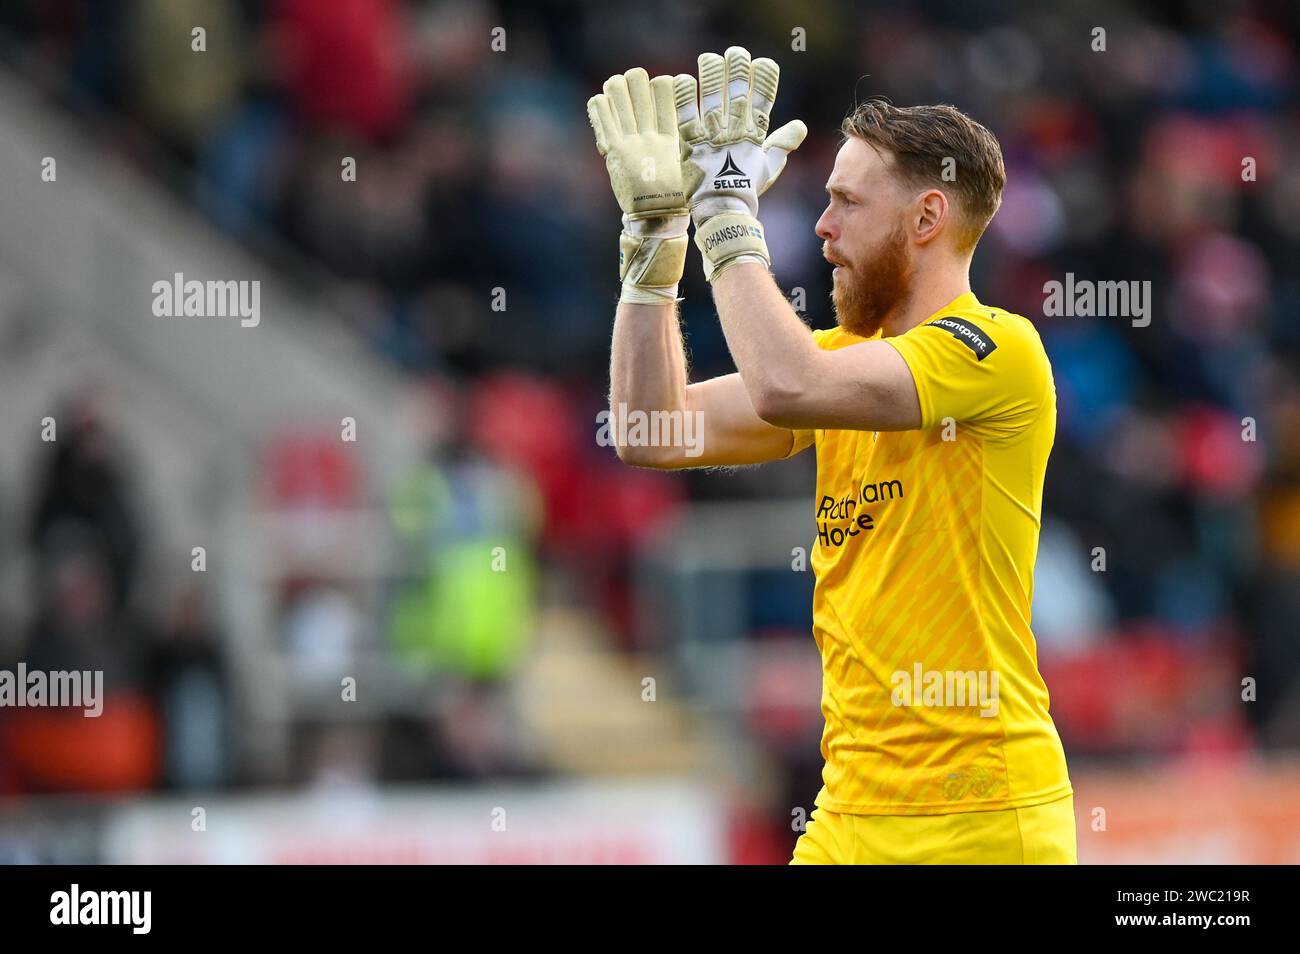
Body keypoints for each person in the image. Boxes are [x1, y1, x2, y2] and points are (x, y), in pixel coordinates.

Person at [588, 48, 1075, 864]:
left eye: (847, 202)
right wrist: (655, 243)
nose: (822, 226)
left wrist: (727, 211)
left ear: (925, 220)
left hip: (980, 817)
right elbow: (648, 429)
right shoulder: (841, 360)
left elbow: (787, 384)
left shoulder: (997, 347)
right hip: (848, 814)